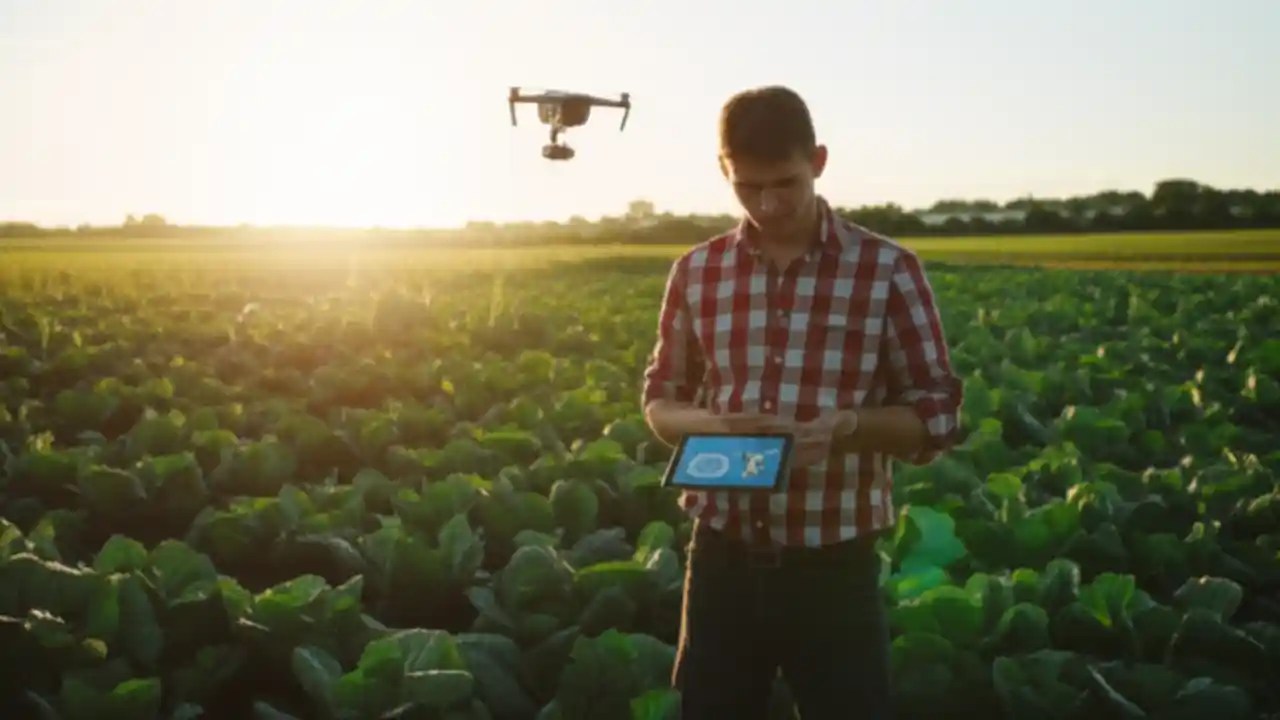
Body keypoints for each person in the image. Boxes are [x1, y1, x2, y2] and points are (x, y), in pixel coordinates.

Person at [641, 85, 964, 720]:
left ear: (818, 160)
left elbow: (939, 414)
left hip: (834, 562)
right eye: (747, 187)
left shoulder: (887, 269)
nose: (767, 204)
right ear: (724, 172)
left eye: (785, 183)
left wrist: (845, 428)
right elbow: (659, 401)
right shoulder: (697, 272)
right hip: (721, 555)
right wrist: (711, 425)